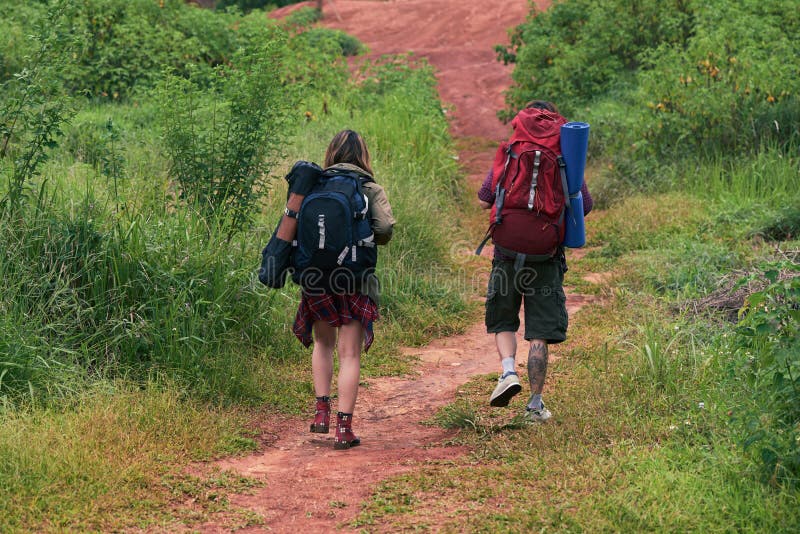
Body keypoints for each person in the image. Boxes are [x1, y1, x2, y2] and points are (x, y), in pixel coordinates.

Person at [477, 100, 593, 423]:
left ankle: (507, 372)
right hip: (545, 255)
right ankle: (534, 405)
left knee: (503, 318)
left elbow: (485, 195)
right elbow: (585, 204)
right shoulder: (564, 153)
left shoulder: (512, 148)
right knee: (539, 331)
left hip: (506, 251)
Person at [291, 130, 395, 449]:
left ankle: (321, 413)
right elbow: (386, 229)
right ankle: (343, 429)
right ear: (363, 155)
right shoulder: (369, 188)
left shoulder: (313, 185)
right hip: (353, 279)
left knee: (323, 345)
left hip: (316, 277)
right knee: (349, 353)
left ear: (331, 153)